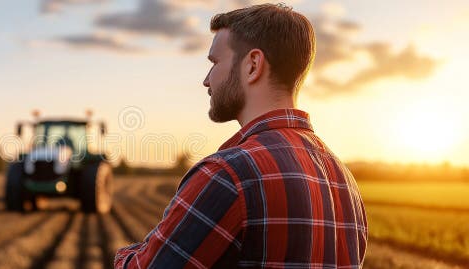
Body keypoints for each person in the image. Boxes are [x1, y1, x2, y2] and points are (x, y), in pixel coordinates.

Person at [114, 4, 367, 268]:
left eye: (214, 63)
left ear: (252, 65)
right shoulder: (345, 182)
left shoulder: (228, 174)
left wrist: (132, 253)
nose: (206, 79)